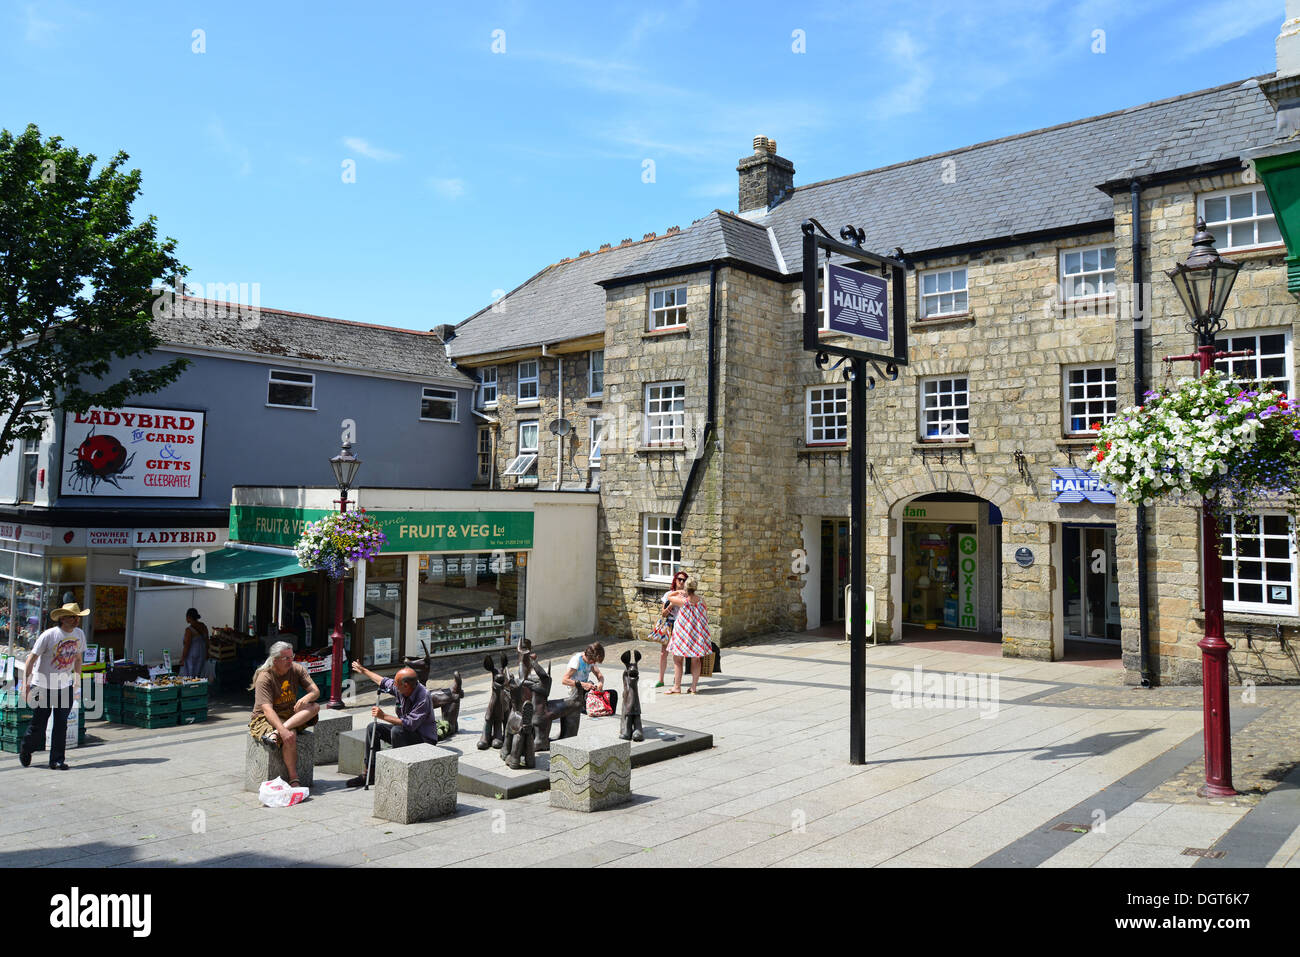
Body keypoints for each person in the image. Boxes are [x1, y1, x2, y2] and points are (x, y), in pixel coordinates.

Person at [19, 603, 88, 770]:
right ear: (63, 618)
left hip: (64, 686)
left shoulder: (79, 634)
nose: (76, 620)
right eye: (73, 617)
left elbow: (78, 659)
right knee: (39, 724)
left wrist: (77, 681)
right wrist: (25, 684)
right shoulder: (49, 635)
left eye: (78, 617)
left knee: (61, 724)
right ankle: (27, 748)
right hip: (42, 685)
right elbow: (31, 659)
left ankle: (57, 760)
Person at [347, 661, 438, 787]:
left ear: (406, 685)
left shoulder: (423, 696)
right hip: (406, 732)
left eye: (396, 683)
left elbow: (410, 724)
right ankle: (370, 773)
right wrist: (363, 670)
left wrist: (383, 716)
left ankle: (397, 772)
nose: (394, 685)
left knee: (397, 731)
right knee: (373, 728)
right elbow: (383, 681)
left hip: (423, 739)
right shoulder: (401, 687)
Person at [248, 641, 320, 787]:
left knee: (315, 706)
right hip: (265, 717)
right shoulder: (265, 677)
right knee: (290, 735)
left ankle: (274, 734)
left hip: (289, 714)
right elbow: (267, 710)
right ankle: (294, 778)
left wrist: (307, 697)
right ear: (275, 660)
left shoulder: (297, 669)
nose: (290, 660)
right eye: (286, 658)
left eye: (291, 656)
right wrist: (283, 731)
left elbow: (315, 691)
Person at [665, 578, 711, 695]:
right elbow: (705, 612)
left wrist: (678, 592)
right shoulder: (701, 601)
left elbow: (669, 596)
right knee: (696, 659)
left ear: (686, 587)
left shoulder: (682, 601)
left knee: (678, 659)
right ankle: (694, 687)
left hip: (683, 633)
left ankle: (677, 687)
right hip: (697, 633)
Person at [561, 642, 617, 714]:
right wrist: (584, 685)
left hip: (586, 690)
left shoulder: (591, 661)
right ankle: (596, 709)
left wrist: (600, 683)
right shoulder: (576, 661)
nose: (593, 663)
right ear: (589, 657)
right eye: (593, 661)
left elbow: (599, 674)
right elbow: (564, 680)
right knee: (591, 701)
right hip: (576, 694)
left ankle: (606, 711)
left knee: (613, 694)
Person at [654, 571, 688, 688]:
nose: (682, 582)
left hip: (681, 625)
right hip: (669, 624)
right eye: (680, 579)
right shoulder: (668, 594)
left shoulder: (687, 596)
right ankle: (661, 679)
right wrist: (672, 604)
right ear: (675, 580)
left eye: (684, 580)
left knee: (678, 654)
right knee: (664, 653)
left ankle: (676, 678)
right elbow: (663, 614)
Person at [179, 608, 209, 678]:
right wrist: (207, 653)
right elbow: (207, 641)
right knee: (200, 675)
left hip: (192, 657)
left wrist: (183, 659)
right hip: (202, 654)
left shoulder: (189, 630)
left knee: (191, 677)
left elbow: (187, 646)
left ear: (189, 617)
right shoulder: (203, 626)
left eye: (186, 617)